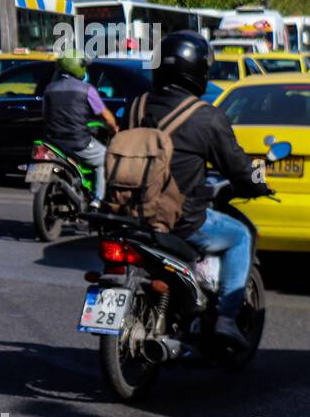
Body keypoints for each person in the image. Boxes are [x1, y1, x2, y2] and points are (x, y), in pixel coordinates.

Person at [133, 31, 271, 348]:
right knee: (240, 235)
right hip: (181, 220)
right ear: (197, 71)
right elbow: (238, 167)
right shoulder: (205, 117)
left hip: (131, 215)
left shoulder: (137, 107)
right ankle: (225, 319)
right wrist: (258, 182)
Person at [41, 48, 118, 204]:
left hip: (54, 143)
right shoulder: (87, 90)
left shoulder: (49, 89)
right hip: (78, 143)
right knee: (105, 157)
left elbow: (45, 116)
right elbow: (106, 117)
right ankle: (98, 199)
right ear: (79, 66)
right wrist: (115, 129)